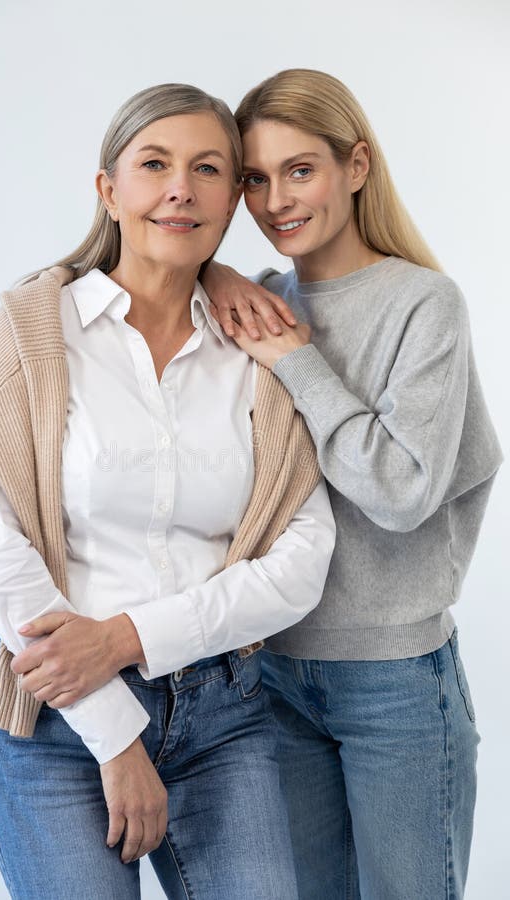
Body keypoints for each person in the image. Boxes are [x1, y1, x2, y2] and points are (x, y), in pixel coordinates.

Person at [0, 83, 336, 900]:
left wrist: (125, 638)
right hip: (54, 716)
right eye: (154, 164)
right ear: (108, 189)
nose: (180, 187)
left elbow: (302, 558)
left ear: (231, 200)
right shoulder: (35, 329)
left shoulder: (258, 346)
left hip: (225, 714)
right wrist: (117, 737)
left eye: (208, 169)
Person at [201, 69, 503, 900]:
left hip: (394, 686)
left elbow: (402, 492)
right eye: (255, 179)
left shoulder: (423, 304)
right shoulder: (258, 299)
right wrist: (217, 273)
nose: (274, 201)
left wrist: (297, 358)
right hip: (270, 671)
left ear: (357, 165)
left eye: (301, 170)